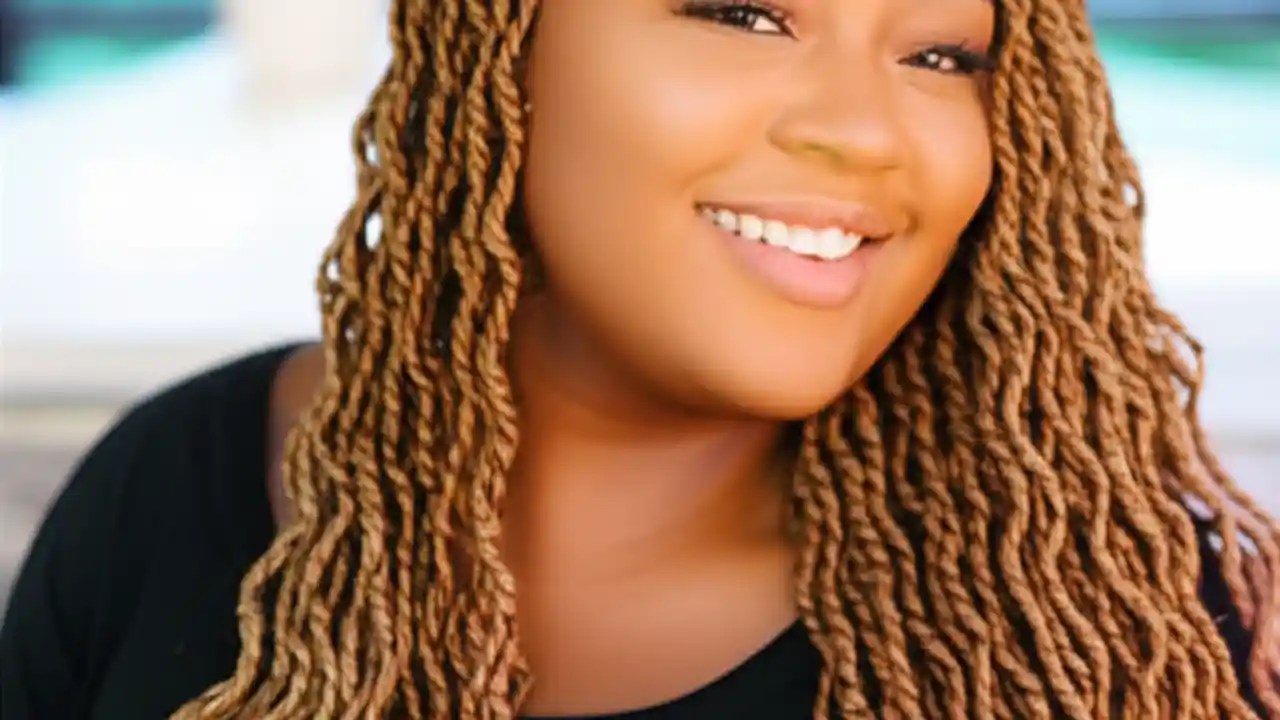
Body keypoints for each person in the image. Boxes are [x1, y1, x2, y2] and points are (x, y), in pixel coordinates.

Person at [2, 0, 1277, 717]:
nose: (860, 131)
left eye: (939, 56)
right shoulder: (177, 476)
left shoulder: (1126, 631)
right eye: (743, 13)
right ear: (498, 45)